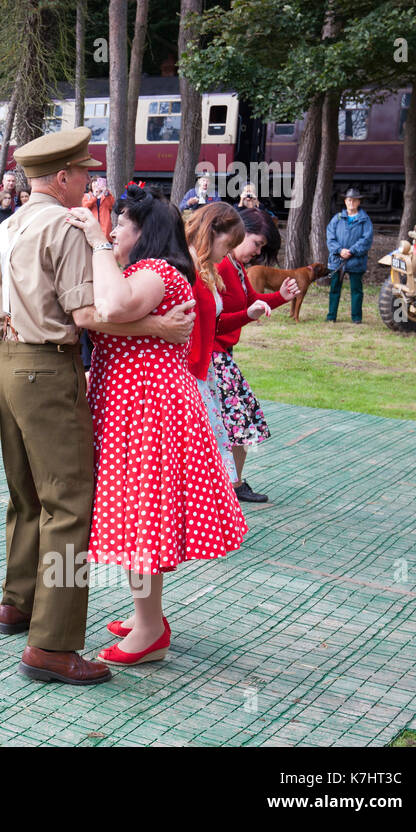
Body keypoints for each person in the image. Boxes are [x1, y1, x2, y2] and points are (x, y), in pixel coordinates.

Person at [0, 128, 194, 686]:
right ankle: (52, 645)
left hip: (3, 363)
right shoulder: (65, 228)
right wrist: (160, 328)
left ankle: (17, 603)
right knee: (69, 507)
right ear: (63, 178)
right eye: (83, 174)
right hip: (47, 370)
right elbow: (90, 314)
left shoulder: (4, 228)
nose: (89, 185)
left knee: (25, 495)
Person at [65, 186, 246, 668]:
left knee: (141, 519)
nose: (115, 230)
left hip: (147, 411)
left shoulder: (157, 273)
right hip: (140, 406)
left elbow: (114, 310)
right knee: (137, 517)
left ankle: (149, 630)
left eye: (122, 224)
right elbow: (93, 314)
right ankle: (149, 617)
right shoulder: (147, 271)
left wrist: (98, 245)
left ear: (144, 233)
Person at [214, 208, 300, 503]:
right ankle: (231, 485)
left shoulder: (234, 266)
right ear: (239, 233)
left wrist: (281, 298)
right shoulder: (221, 266)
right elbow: (218, 320)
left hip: (222, 355)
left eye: (262, 246)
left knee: (239, 421)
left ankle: (232, 484)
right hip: (214, 357)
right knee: (238, 422)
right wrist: (248, 315)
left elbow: (252, 301)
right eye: (257, 243)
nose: (258, 251)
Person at [184, 202, 246, 491]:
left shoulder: (204, 267)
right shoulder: (187, 266)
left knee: (208, 452)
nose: (230, 250)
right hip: (189, 371)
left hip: (201, 370)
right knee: (200, 453)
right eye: (229, 242)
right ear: (212, 231)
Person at [326, 188, 373, 324]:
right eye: (349, 200)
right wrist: (339, 250)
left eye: (354, 200)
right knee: (334, 289)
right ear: (345, 201)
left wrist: (352, 251)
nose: (351, 202)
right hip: (337, 260)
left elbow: (367, 239)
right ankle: (331, 316)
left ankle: (356, 317)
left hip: (356, 260)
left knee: (356, 290)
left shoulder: (365, 220)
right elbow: (330, 237)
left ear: (359, 202)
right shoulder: (337, 218)